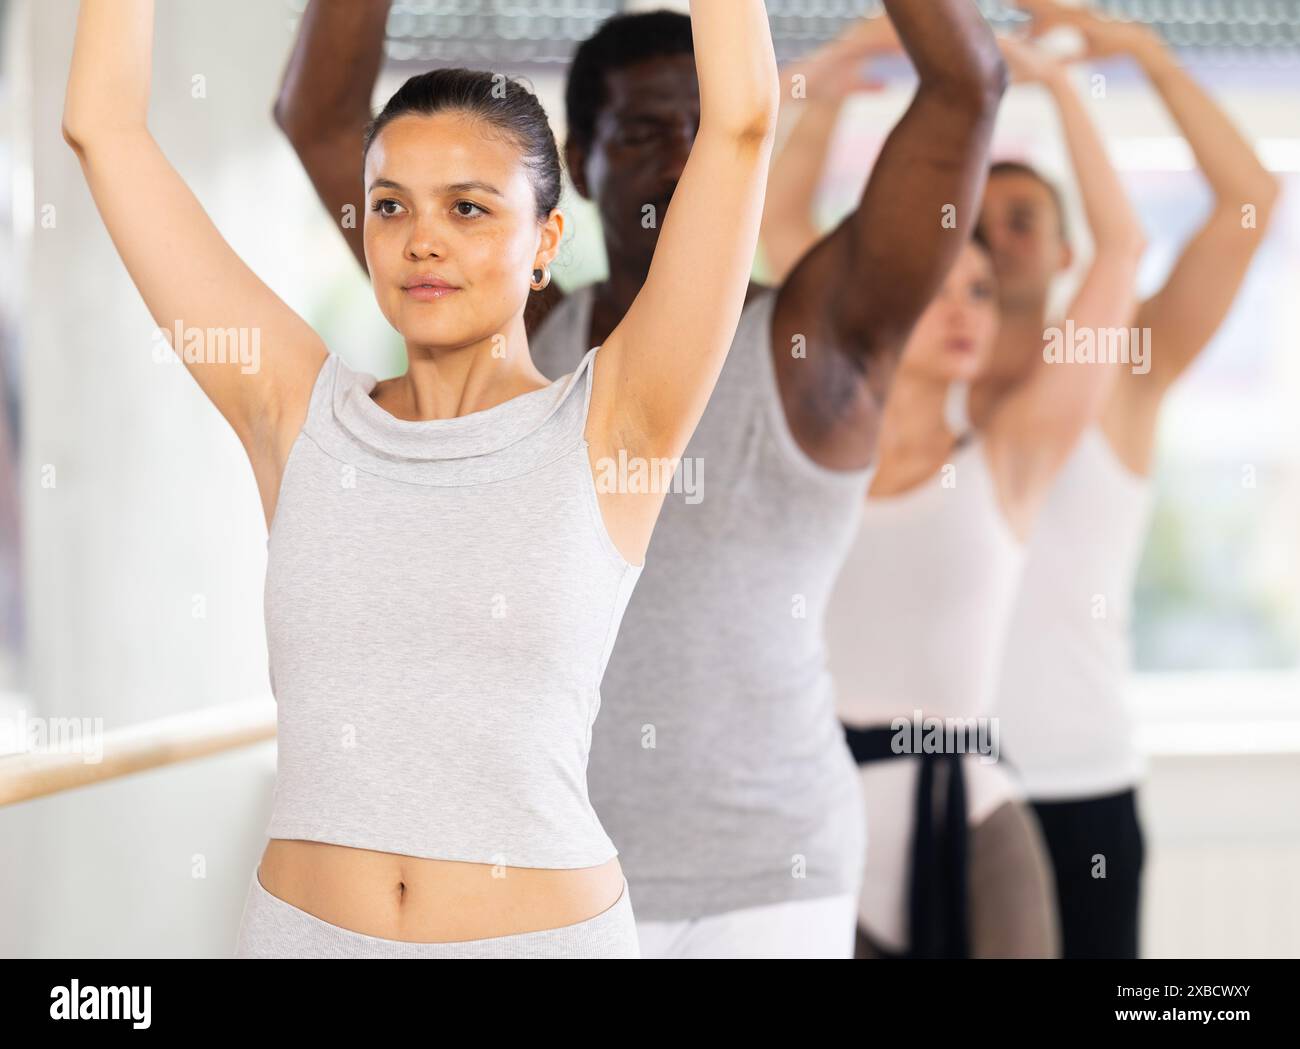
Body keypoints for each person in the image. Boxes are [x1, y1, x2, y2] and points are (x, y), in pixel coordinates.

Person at [274, 1, 1008, 958]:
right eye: (644, 130)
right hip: (543, 884)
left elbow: (968, 86)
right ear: (578, 165)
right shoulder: (515, 343)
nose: (679, 158)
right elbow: (324, 123)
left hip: (761, 881)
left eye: (702, 127)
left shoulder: (820, 338)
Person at [63, 0, 780, 958]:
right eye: (391, 204)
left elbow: (740, 125)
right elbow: (102, 128)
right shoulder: (296, 411)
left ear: (547, 241)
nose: (421, 239)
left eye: (469, 208)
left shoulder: (615, 422)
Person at [764, 34, 1146, 957]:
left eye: (981, 287)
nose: (968, 307)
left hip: (976, 821)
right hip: (819, 823)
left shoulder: (1010, 455)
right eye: (943, 286)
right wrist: (842, 68)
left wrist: (1060, 87)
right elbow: (776, 219)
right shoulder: (810, 442)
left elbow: (1123, 248)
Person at [975, 0, 1282, 959]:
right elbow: (777, 222)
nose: (995, 238)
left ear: (1071, 251)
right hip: (942, 784)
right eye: (973, 223)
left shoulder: (1121, 366)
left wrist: (1143, 53)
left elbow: (1248, 206)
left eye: (1022, 217)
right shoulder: (909, 384)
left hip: (1081, 786)